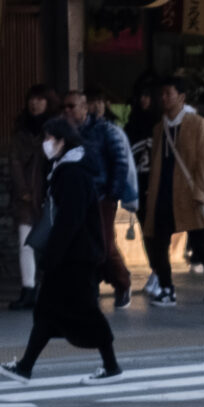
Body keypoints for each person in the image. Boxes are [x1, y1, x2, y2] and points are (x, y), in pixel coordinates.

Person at [2, 119, 122, 385]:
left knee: (85, 311)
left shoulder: (72, 174)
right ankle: (25, 367)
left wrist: (52, 255)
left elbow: (69, 220)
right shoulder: (64, 169)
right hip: (72, 256)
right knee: (48, 311)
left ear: (62, 141)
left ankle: (111, 366)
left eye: (49, 138)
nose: (46, 143)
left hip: (75, 258)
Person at [140, 77, 204, 307]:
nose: (164, 98)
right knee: (157, 242)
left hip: (188, 193)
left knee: (200, 244)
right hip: (163, 192)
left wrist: (200, 192)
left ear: (181, 97)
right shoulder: (160, 127)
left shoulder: (197, 123)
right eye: (161, 94)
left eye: (168, 93)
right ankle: (166, 287)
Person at [64, 89, 139, 308]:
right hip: (75, 197)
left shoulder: (105, 131)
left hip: (101, 196)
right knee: (82, 245)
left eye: (72, 106)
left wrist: (112, 193)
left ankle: (122, 281)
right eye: (64, 106)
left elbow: (120, 162)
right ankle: (92, 286)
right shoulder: (63, 132)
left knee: (104, 245)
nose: (67, 110)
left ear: (84, 108)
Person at [9, 86, 59, 311]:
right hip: (27, 198)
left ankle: (50, 289)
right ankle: (28, 289)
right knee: (26, 244)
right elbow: (15, 163)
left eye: (40, 99)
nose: (35, 103)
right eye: (32, 99)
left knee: (53, 245)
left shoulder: (57, 129)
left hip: (51, 195)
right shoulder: (20, 133)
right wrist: (23, 190)